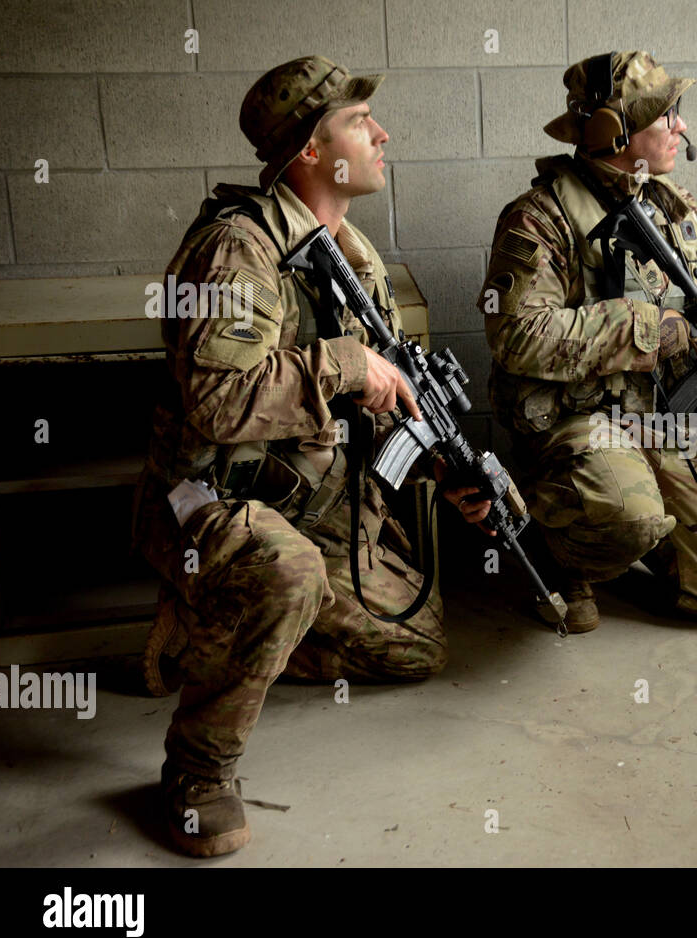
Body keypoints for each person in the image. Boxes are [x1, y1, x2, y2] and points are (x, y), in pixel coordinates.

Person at [131, 55, 490, 857]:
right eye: (360, 121)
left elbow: (372, 405)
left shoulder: (352, 255)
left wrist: (438, 464)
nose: (381, 132)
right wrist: (345, 365)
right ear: (308, 151)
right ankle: (196, 768)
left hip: (301, 494)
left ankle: (215, 636)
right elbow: (219, 403)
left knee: (419, 644)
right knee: (290, 576)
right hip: (209, 500)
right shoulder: (236, 250)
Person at [478, 51, 697, 634]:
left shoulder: (675, 212)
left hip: (663, 425)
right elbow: (516, 336)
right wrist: (648, 328)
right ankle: (554, 553)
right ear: (614, 133)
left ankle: (642, 533)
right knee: (630, 518)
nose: (681, 126)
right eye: (668, 114)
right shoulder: (541, 217)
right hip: (580, 426)